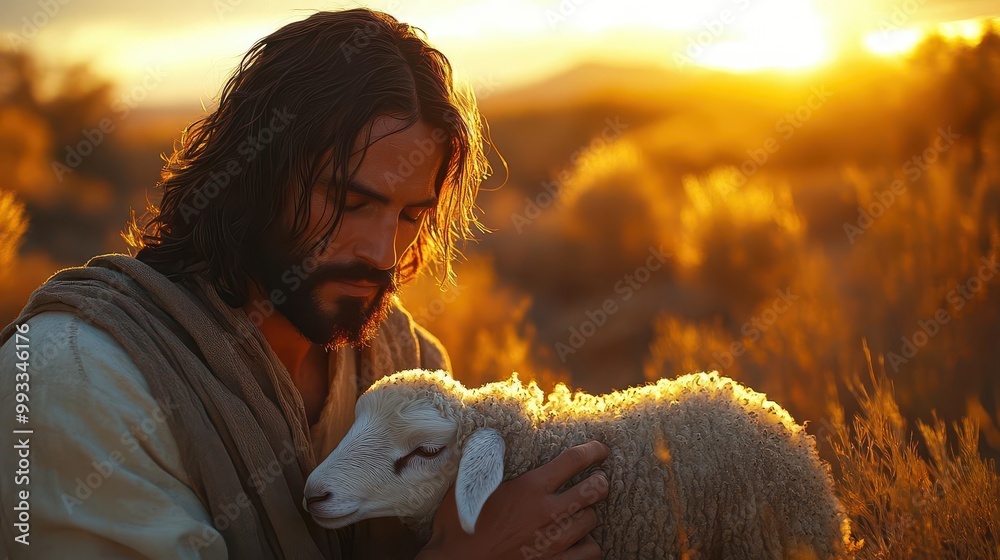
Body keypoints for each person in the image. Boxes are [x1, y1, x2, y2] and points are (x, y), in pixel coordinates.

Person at [0, 8, 609, 560]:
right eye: (349, 202)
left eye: (410, 215)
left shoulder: (406, 364)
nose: (382, 253)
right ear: (254, 175)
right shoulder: (74, 377)